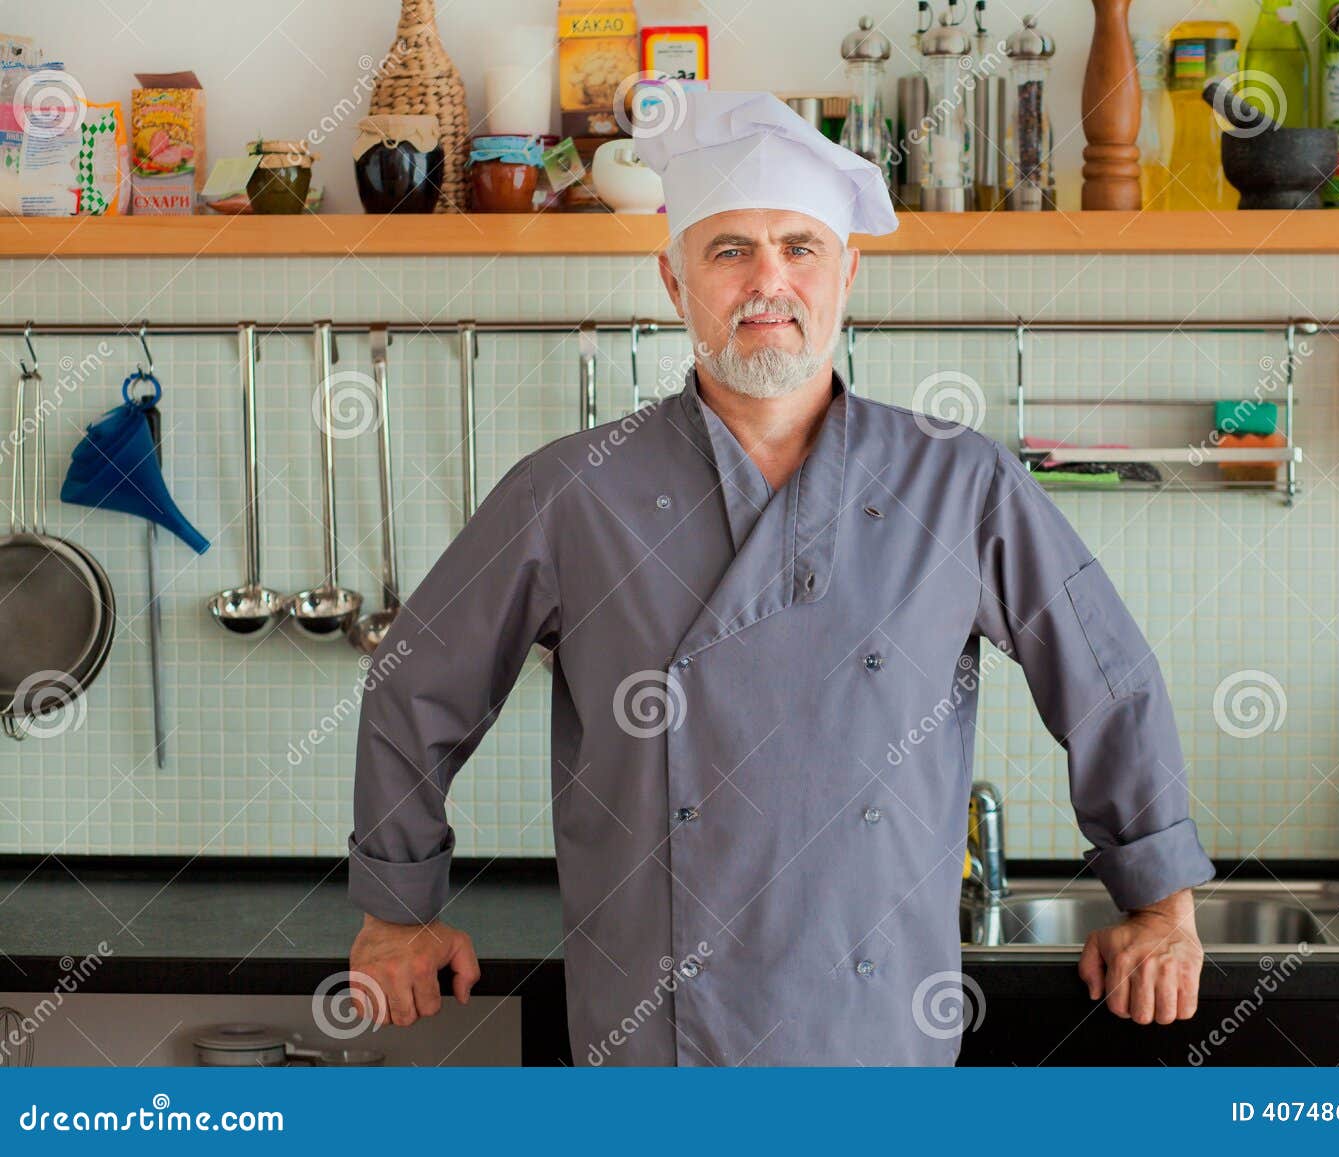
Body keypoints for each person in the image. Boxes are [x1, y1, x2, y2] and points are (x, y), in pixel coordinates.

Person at [347, 90, 1215, 1066]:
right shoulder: (573, 488)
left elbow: (1109, 679)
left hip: (878, 1031)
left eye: (799, 247)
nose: (769, 280)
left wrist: (1158, 902)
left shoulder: (956, 477)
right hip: (657, 1034)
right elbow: (418, 680)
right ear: (674, 283)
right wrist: (396, 908)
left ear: (845, 273)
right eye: (729, 251)